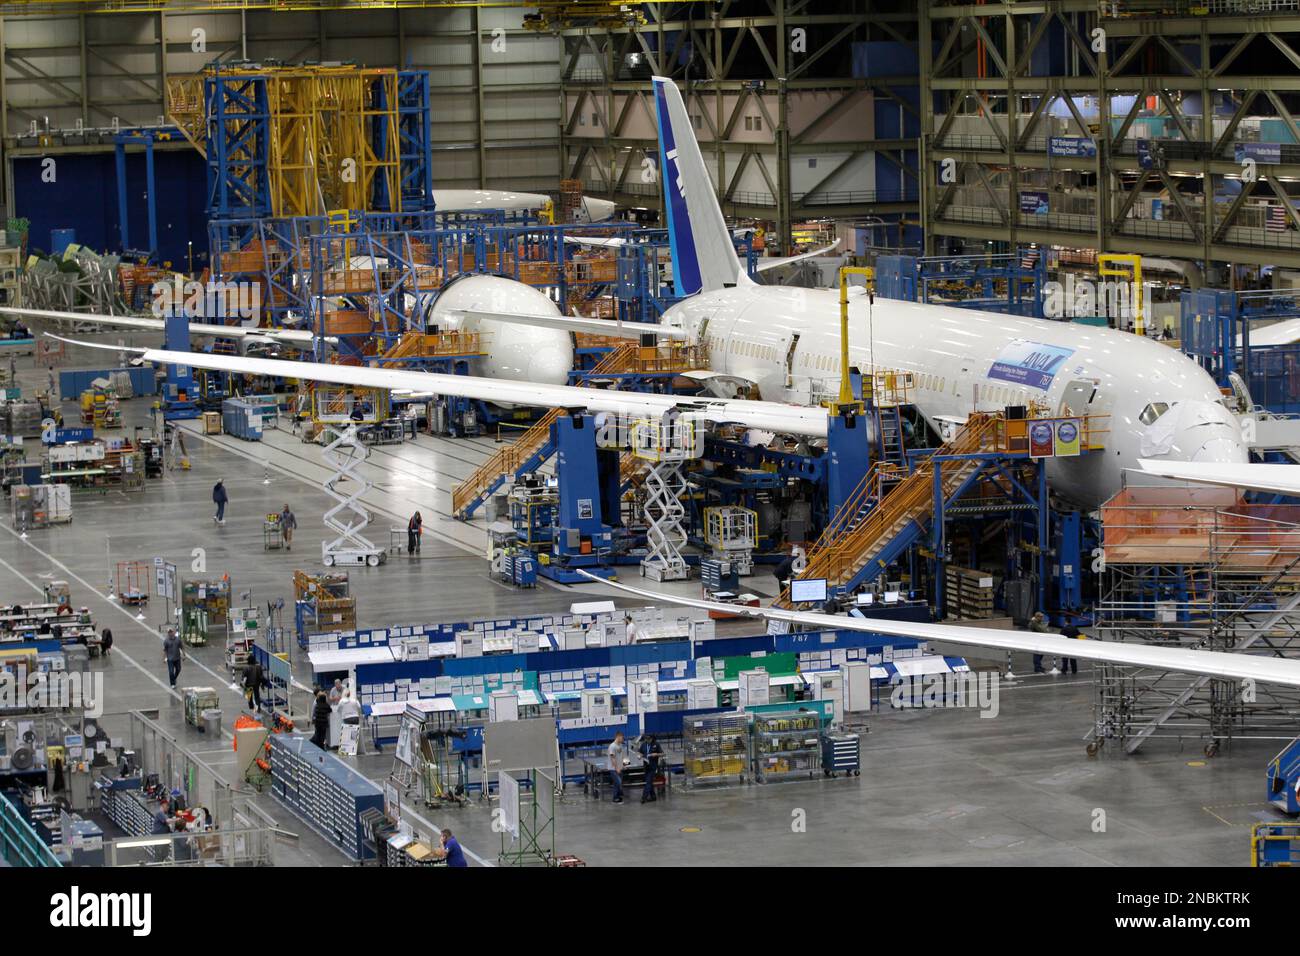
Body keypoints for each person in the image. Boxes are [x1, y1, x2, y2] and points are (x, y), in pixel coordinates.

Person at [639, 735, 664, 804]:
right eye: (646, 739)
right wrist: (640, 755)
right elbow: (640, 752)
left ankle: (644, 797)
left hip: (653, 766)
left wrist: (656, 754)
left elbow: (662, 753)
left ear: (652, 739)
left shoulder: (656, 744)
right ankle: (653, 797)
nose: (647, 740)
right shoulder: (644, 744)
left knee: (648, 782)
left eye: (648, 739)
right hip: (646, 765)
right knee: (649, 782)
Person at [607, 730, 625, 804]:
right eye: (622, 737)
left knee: (616, 783)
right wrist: (616, 767)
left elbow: (622, 756)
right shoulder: (612, 746)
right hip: (613, 769)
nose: (623, 739)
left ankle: (617, 797)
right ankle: (616, 797)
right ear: (618, 737)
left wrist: (624, 764)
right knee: (618, 782)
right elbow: (612, 758)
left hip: (620, 768)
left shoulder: (620, 745)